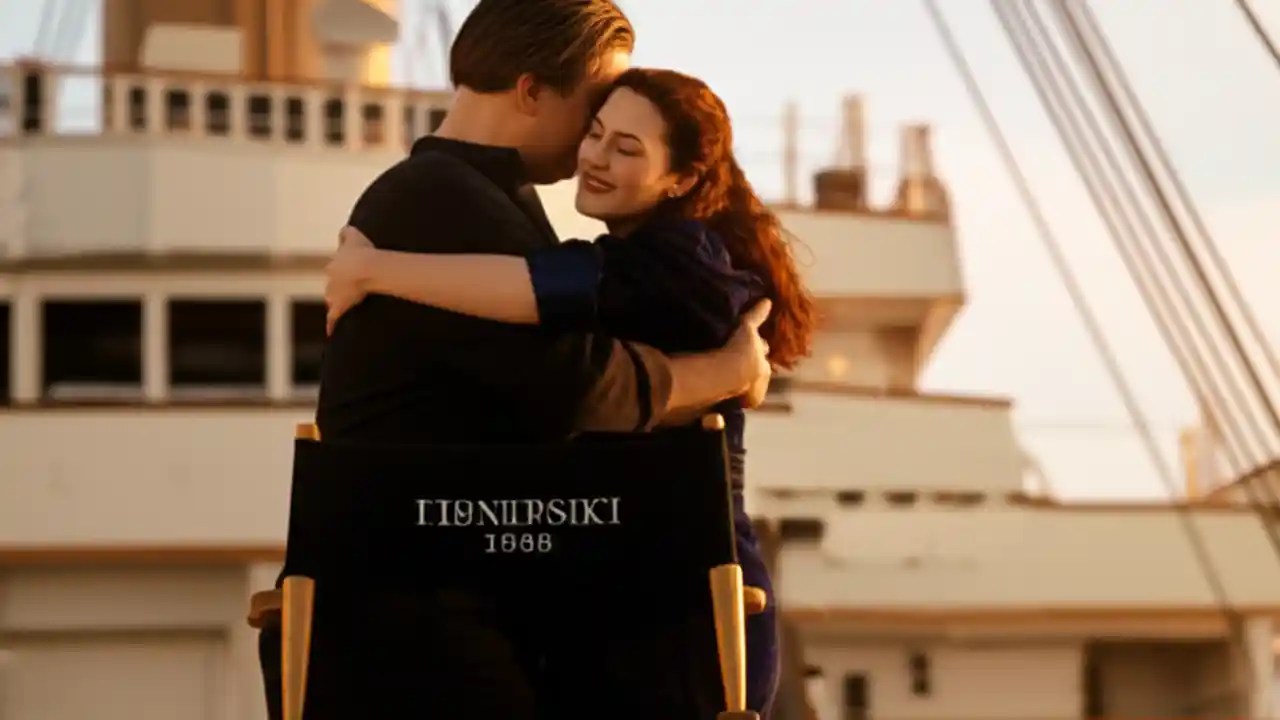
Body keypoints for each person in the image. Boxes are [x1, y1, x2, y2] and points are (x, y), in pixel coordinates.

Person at [256, 2, 775, 719]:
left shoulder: (467, 196)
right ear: (533, 92)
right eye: (594, 109)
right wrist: (728, 374)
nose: (596, 144)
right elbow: (573, 385)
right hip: (416, 624)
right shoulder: (449, 202)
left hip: (415, 601)